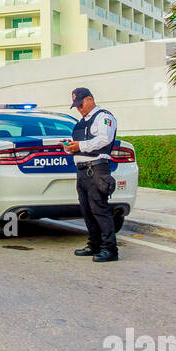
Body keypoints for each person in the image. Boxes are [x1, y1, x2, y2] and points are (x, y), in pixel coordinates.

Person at [64, 87, 119, 262]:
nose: (79, 108)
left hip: (97, 169)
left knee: (99, 210)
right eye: (76, 106)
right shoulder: (81, 122)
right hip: (82, 171)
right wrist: (70, 148)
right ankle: (94, 245)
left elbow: (104, 139)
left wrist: (79, 146)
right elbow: (81, 144)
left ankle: (110, 249)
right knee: (87, 211)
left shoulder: (103, 117)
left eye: (81, 104)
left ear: (90, 99)